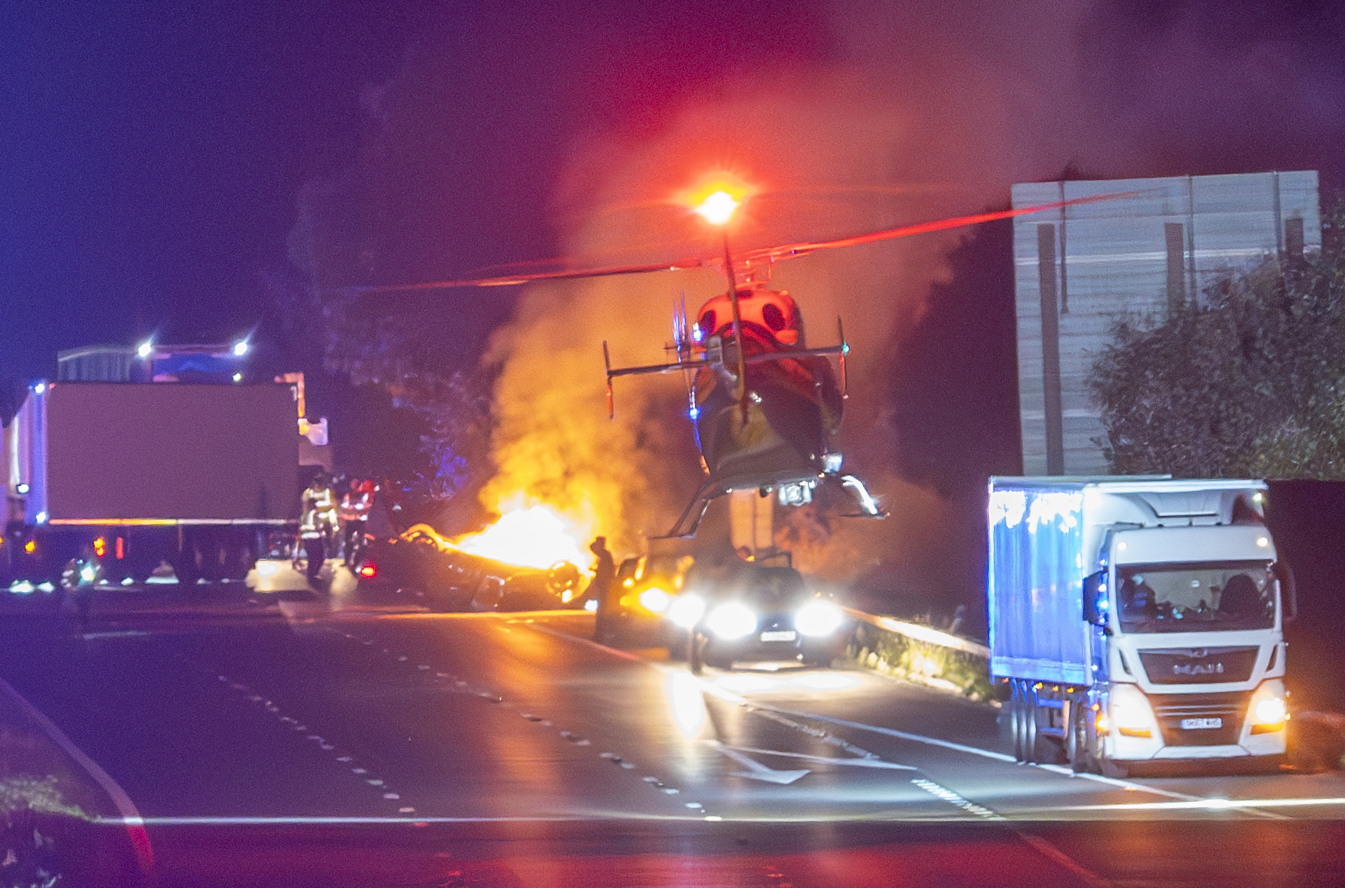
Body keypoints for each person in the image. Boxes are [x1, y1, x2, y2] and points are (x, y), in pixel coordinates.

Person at [299, 474, 337, 583]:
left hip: (308, 536)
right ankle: (312, 576)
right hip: (314, 536)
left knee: (313, 557)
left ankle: (312, 575)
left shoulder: (305, 514)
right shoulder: (314, 512)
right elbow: (317, 525)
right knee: (317, 557)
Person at [586, 536, 618, 642]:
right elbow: (592, 548)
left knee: (603, 612)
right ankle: (600, 633)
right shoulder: (604, 555)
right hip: (603, 587)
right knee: (601, 611)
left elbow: (607, 572)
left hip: (605, 587)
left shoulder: (605, 555)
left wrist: (599, 575)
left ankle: (602, 634)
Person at [339, 478, 375, 566]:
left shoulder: (366, 496)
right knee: (348, 542)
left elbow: (367, 508)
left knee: (361, 543)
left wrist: (355, 510)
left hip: (361, 523)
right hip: (350, 522)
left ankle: (356, 563)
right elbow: (343, 508)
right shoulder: (349, 496)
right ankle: (347, 561)